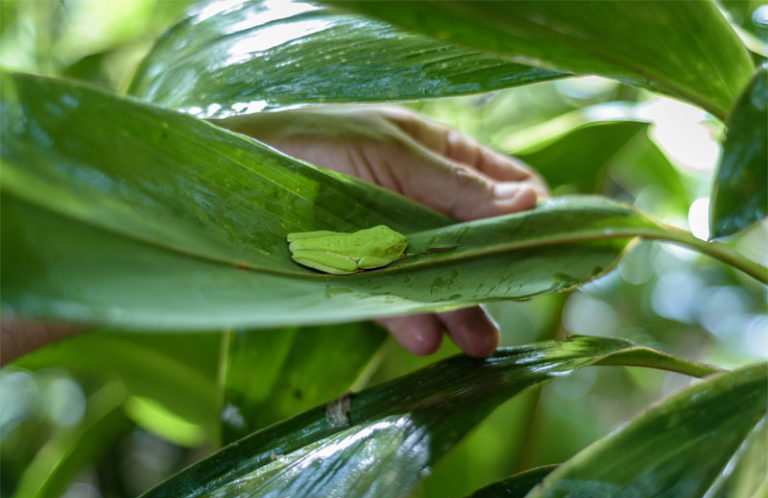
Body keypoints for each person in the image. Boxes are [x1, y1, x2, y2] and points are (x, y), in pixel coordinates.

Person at [1, 106, 547, 365]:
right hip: (344, 255)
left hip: (353, 247)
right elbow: (364, 254)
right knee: (355, 256)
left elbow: (379, 241)